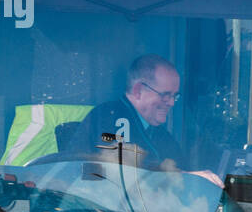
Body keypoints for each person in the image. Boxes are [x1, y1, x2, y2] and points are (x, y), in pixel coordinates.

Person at [68, 54, 220, 184]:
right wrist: (184, 177)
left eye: (175, 96)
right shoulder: (108, 118)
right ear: (138, 90)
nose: (171, 102)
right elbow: (119, 171)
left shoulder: (160, 134)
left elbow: (180, 167)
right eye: (165, 95)